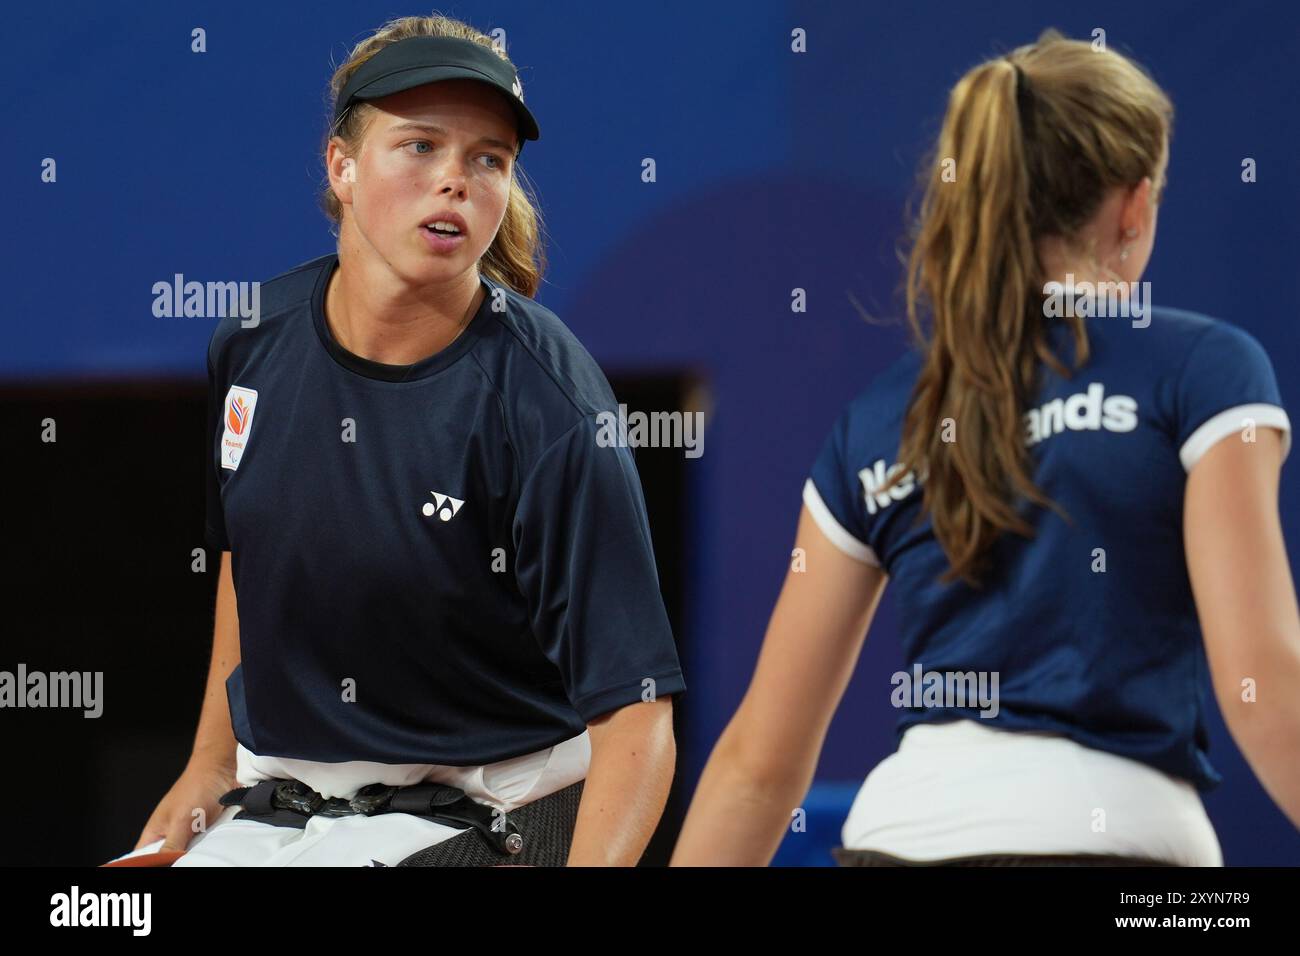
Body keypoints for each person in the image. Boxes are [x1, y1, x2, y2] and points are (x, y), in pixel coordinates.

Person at [670, 30, 1300, 867]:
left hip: (891, 841)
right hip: (1125, 850)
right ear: (1135, 206)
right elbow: (1262, 686)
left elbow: (758, 763)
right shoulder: (1207, 366)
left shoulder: (885, 413)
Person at [108, 14, 684, 868]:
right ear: (341, 166)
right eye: (419, 147)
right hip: (283, 817)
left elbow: (639, 717)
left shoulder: (548, 398)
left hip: (485, 818)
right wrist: (207, 766)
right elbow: (247, 560)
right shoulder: (252, 342)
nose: (455, 180)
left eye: (488, 159)